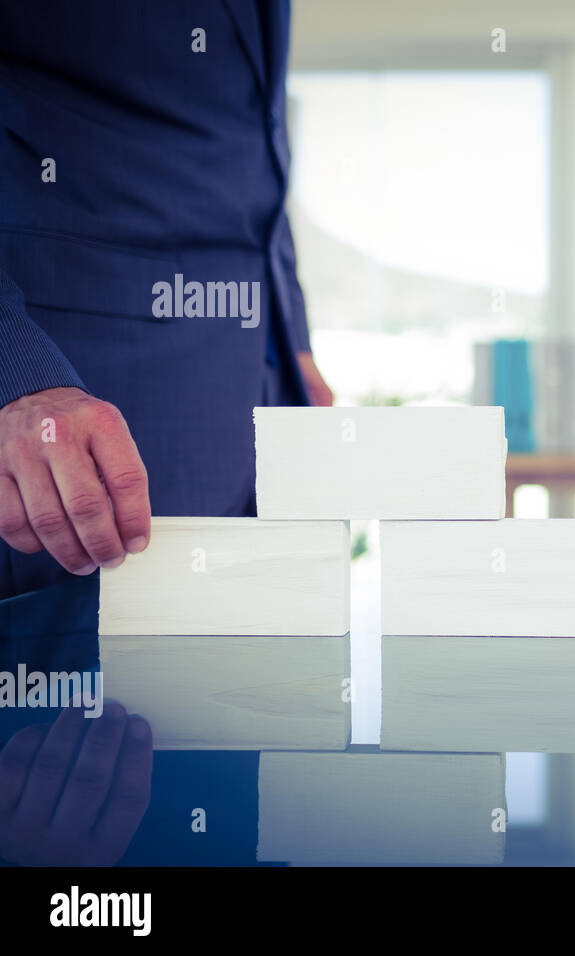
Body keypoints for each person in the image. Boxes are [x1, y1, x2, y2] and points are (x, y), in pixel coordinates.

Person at [0, 0, 329, 864]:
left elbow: (251, 145)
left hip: (234, 421)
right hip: (65, 424)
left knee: (218, 815)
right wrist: (13, 372)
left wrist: (289, 343)